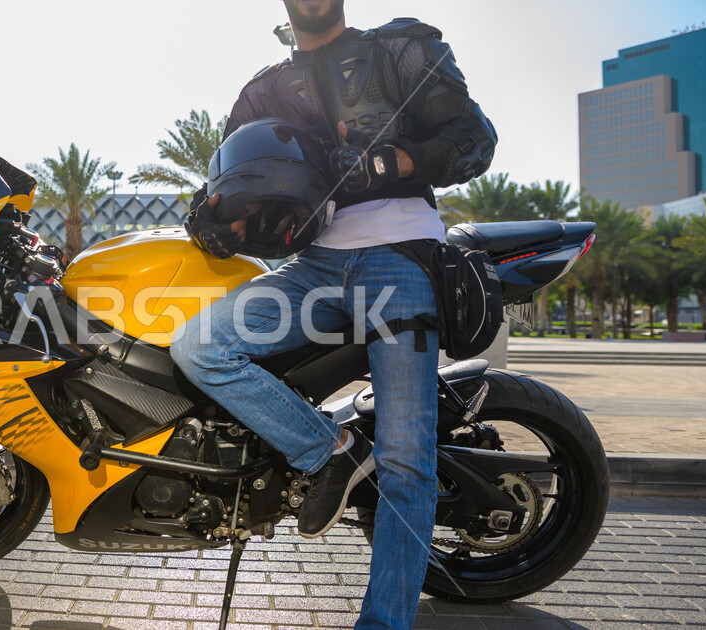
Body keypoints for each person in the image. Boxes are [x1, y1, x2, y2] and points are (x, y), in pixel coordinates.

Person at [170, 1, 496, 627]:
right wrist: (215, 216)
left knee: (406, 459)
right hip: (312, 269)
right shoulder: (262, 92)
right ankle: (333, 450)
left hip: (401, 259)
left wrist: (390, 162)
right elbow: (232, 180)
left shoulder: (403, 51)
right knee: (201, 347)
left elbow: (474, 142)